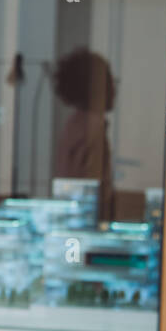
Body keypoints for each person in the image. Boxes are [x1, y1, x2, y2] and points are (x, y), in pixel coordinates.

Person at [51, 48, 117, 223]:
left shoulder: (75, 124)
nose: (114, 89)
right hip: (82, 220)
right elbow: (90, 189)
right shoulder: (91, 129)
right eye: (110, 82)